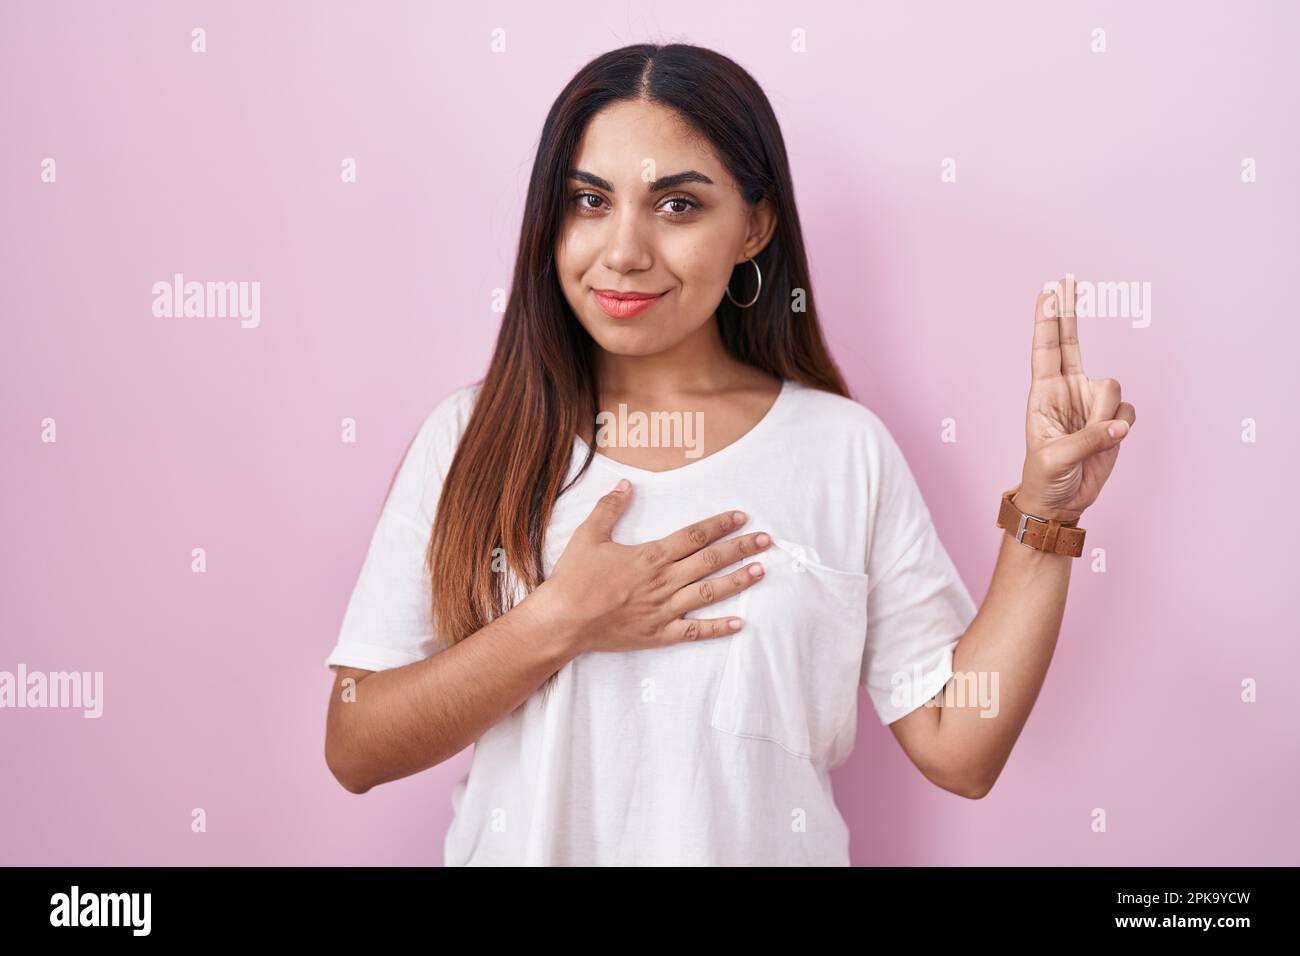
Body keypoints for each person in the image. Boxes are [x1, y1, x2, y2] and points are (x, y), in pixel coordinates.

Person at [322, 43, 1136, 866]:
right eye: (589, 200)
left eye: (677, 205)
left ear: (755, 225)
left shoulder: (841, 450)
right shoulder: (470, 437)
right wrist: (562, 621)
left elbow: (960, 748)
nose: (625, 250)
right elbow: (357, 743)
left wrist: (1047, 512)